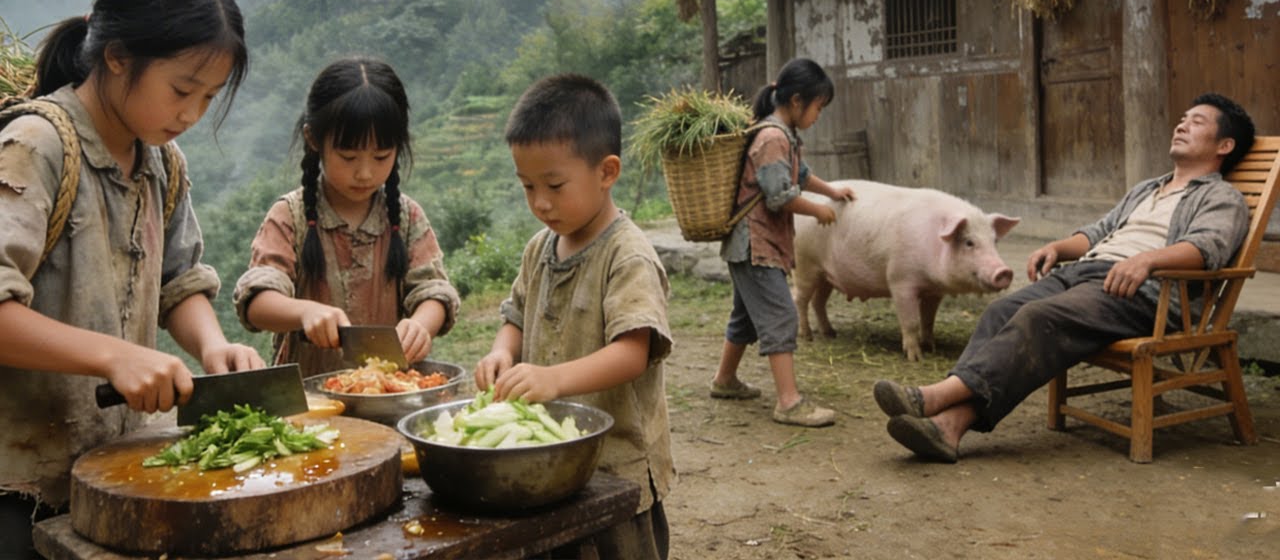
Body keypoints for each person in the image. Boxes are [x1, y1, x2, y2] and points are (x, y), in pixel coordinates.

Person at [0, 0, 265, 553]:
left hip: (117, 470)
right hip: (20, 488)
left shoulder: (160, 163)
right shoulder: (36, 146)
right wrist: (114, 356)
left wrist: (212, 345)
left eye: (208, 97)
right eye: (182, 90)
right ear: (117, 57)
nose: (191, 114)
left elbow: (181, 280)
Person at [874, 93, 1256, 462]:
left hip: (1143, 291)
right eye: (1182, 119)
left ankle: (933, 397)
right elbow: (1097, 231)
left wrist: (1148, 261)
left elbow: (1207, 249)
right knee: (1002, 310)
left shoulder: (1222, 198)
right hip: (1085, 273)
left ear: (1224, 145)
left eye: (1197, 121)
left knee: (1040, 319)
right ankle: (948, 429)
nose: (1182, 125)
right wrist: (1058, 247)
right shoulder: (1148, 189)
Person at [474, 74, 674, 559]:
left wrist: (554, 379)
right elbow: (516, 316)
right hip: (551, 464)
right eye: (527, 186)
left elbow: (633, 352)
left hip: (617, 468)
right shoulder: (539, 249)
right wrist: (502, 351)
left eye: (555, 185)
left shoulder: (627, 256)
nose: (540, 202)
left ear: (607, 172)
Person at [233, 58, 460, 378]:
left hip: (390, 391)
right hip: (311, 402)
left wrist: (421, 325)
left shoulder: (406, 217)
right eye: (348, 156)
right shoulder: (290, 217)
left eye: (381, 157)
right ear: (313, 140)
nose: (365, 172)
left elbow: (434, 292)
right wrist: (306, 312)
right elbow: (257, 303)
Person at [708, 58, 856, 427]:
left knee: (745, 317)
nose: (818, 115)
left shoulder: (782, 135)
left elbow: (800, 175)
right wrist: (818, 211)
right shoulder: (772, 138)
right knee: (781, 315)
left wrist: (831, 191)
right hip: (755, 244)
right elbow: (779, 196)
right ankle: (788, 402)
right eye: (818, 107)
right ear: (795, 101)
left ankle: (724, 380)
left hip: (754, 245)